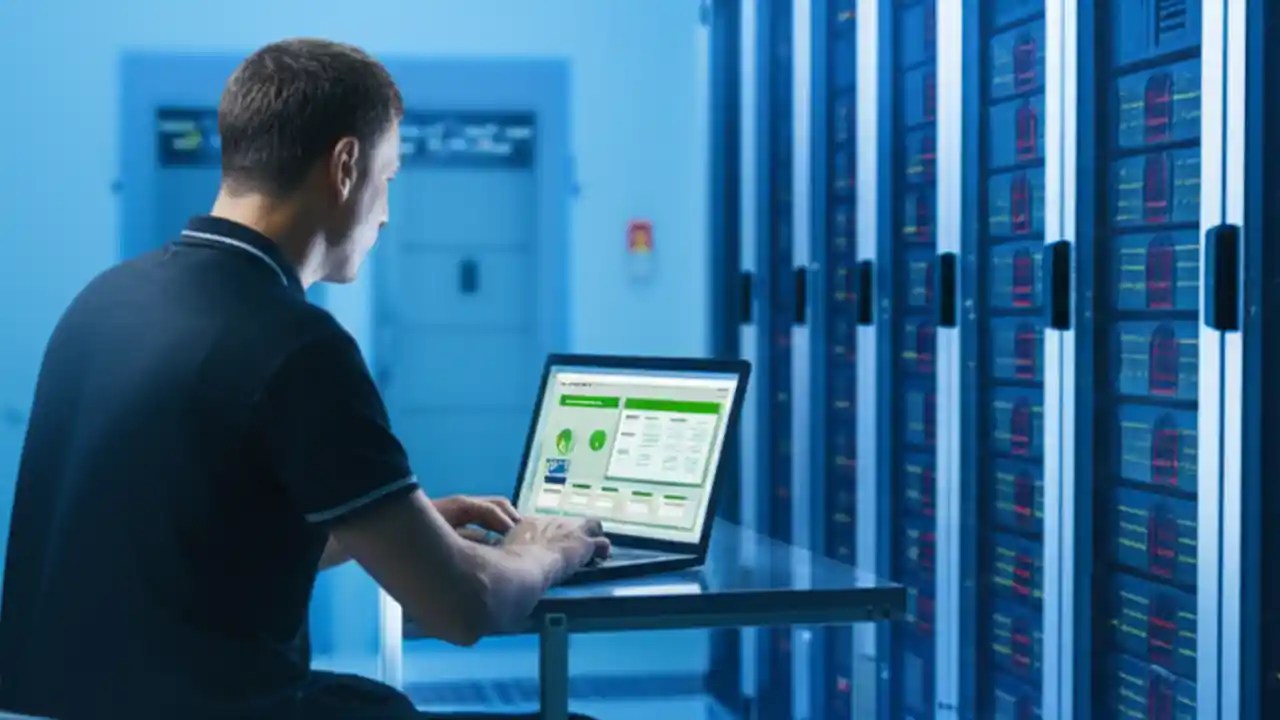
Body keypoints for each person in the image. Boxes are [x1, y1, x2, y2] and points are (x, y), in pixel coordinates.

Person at [0, 38, 608, 719]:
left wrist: (405, 534)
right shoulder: (296, 344)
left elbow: (196, 545)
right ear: (346, 167)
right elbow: (466, 606)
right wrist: (545, 552)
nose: (386, 213)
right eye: (389, 178)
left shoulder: (103, 302)